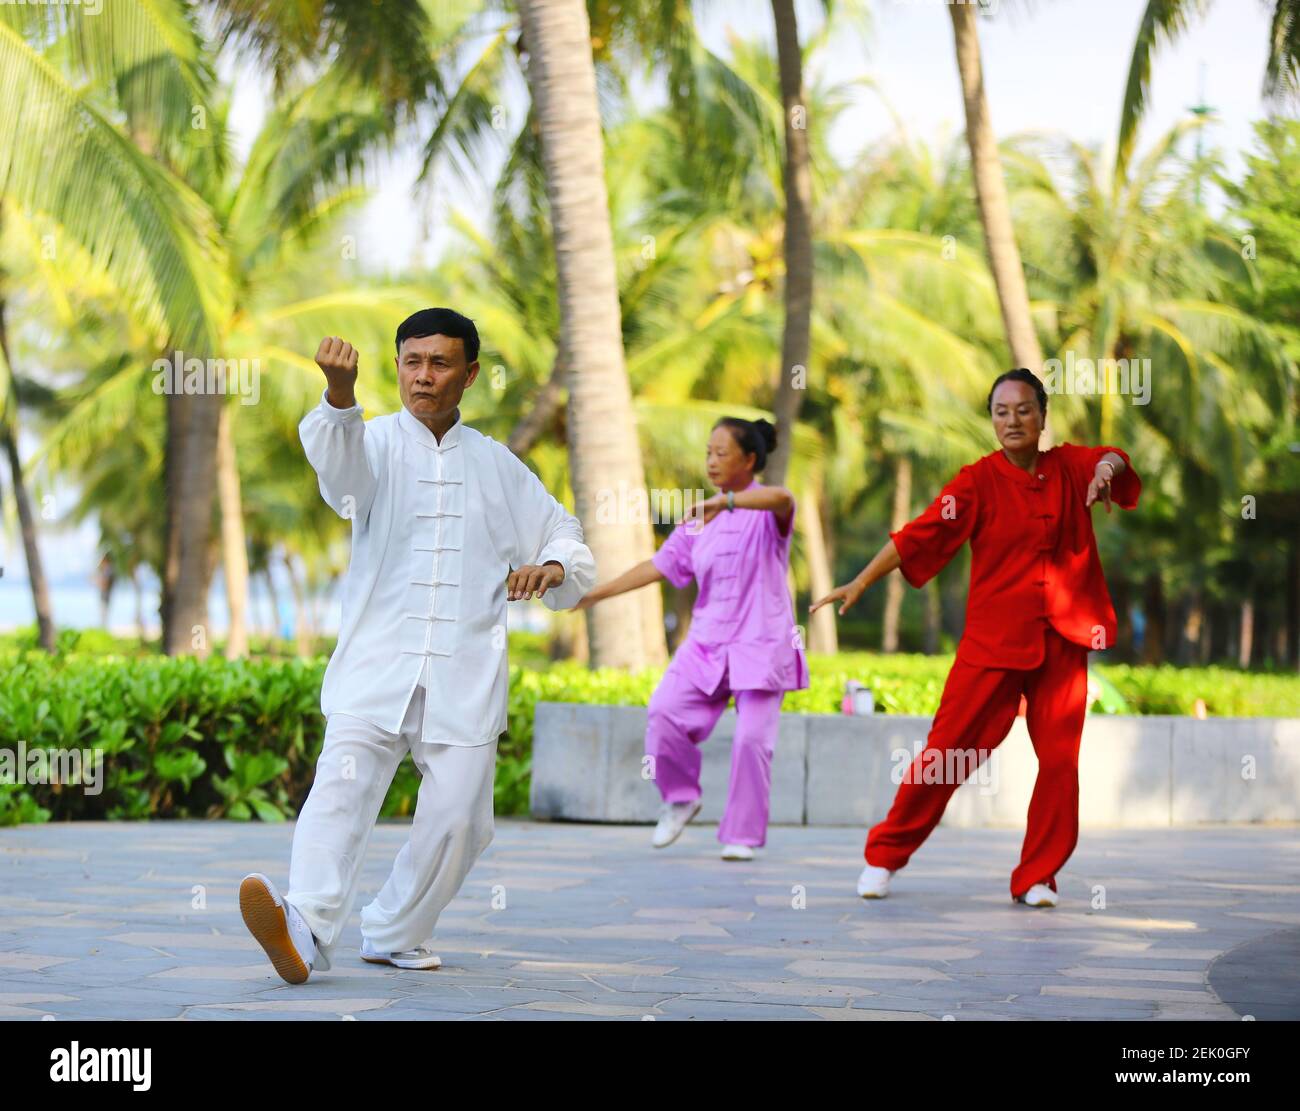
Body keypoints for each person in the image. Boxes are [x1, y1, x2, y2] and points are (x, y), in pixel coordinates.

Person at [239, 308, 595, 983]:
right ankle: (302, 928)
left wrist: (552, 565)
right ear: (397, 365)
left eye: (439, 363)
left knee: (464, 820)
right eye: (411, 361)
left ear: (470, 373)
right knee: (337, 795)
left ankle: (396, 928)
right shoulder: (371, 445)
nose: (423, 376)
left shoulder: (497, 465)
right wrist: (340, 396)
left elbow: (562, 528)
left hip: (465, 677)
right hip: (375, 669)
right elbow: (341, 482)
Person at [812, 368, 1141, 908]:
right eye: (1001, 411)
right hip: (994, 643)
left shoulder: (1070, 466)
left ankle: (1038, 875)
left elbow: (1115, 459)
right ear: (991, 420)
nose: (1012, 420)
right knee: (946, 754)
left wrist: (1105, 469)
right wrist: (861, 581)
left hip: (1062, 641)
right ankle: (884, 855)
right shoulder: (976, 482)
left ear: (1042, 415)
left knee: (1060, 762)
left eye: (1023, 410)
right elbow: (919, 534)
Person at [578, 418, 808, 860]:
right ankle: (680, 796)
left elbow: (784, 498)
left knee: (751, 741)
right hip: (706, 645)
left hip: (760, 646)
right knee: (663, 712)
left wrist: (727, 503)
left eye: (722, 453)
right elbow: (658, 566)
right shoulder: (697, 520)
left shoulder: (766, 515)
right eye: (708, 453)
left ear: (750, 460)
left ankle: (740, 836)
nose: (712, 462)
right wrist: (596, 594)